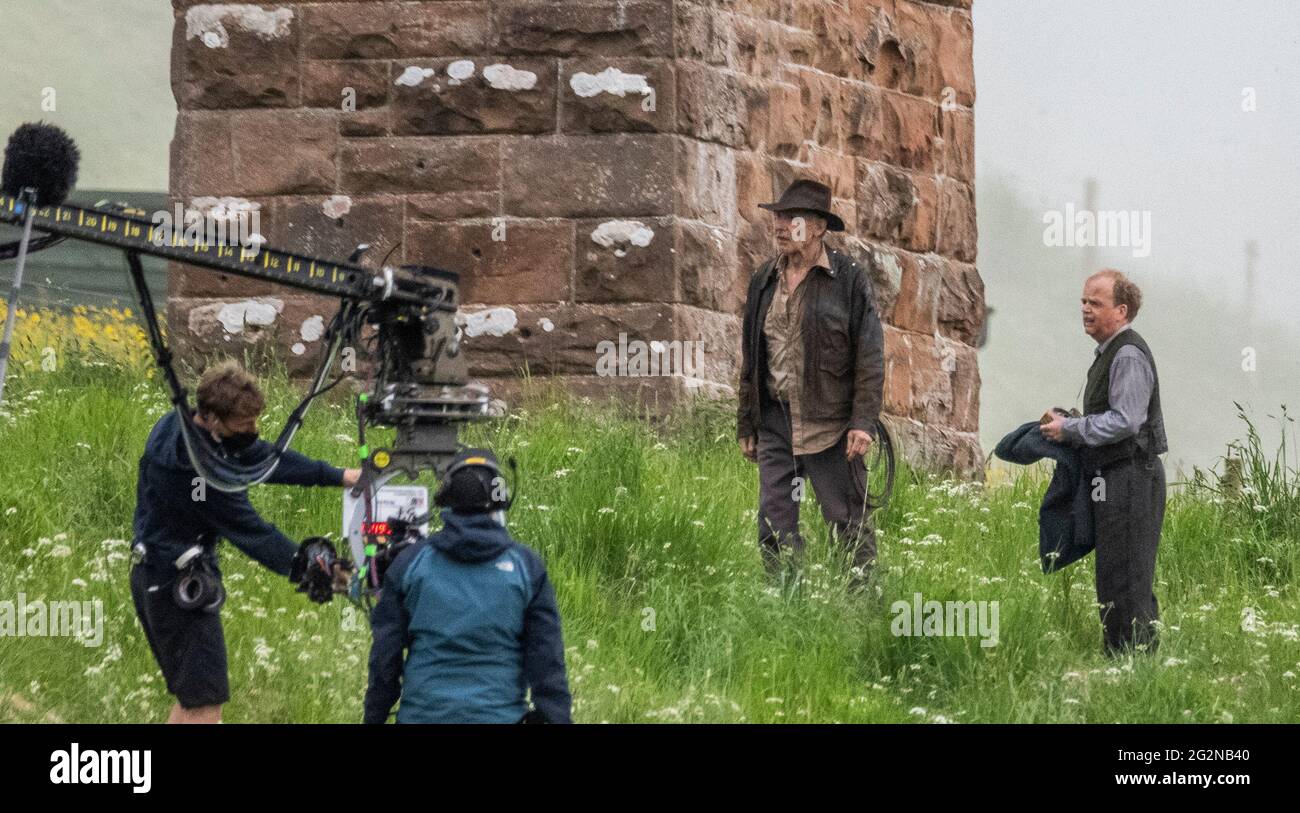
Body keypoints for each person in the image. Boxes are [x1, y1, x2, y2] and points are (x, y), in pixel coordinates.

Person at [129, 360, 360, 723]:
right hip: (176, 588)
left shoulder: (183, 426)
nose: (253, 430)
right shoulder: (198, 475)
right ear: (213, 417)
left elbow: (261, 458)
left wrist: (338, 476)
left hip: (156, 578)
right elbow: (256, 535)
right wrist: (327, 575)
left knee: (194, 699)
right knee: (205, 704)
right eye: (245, 424)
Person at [735, 178, 886, 587]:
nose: (780, 226)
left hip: (832, 425)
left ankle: (862, 609)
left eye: (792, 218)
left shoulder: (850, 280)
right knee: (774, 523)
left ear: (818, 226)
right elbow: (752, 357)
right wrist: (747, 423)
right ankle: (785, 603)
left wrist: (863, 422)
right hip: (776, 421)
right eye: (778, 217)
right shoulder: (764, 279)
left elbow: (870, 355)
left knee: (848, 523)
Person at [363, 449, 571, 723]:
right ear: (500, 498)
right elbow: (548, 664)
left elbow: (384, 661)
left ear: (447, 498)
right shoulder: (527, 568)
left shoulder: (410, 564)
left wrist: (374, 717)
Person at [1041, 270, 1167, 655]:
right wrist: (1068, 419)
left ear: (1122, 310)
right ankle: (1129, 663)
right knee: (1117, 574)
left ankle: (1131, 664)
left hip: (1131, 477)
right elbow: (1114, 416)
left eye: (1095, 303)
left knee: (1126, 577)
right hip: (1117, 478)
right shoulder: (1110, 351)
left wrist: (1072, 430)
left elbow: (1127, 421)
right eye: (1083, 301)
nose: (1085, 309)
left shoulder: (1127, 353)